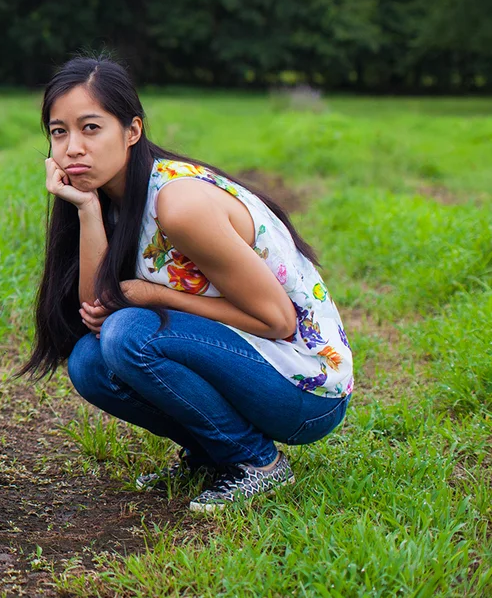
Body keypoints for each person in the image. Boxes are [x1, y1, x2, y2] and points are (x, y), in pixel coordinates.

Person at [20, 55, 352, 513]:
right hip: (249, 362)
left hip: (306, 389)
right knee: (89, 361)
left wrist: (156, 294)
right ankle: (211, 454)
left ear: (132, 131)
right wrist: (87, 210)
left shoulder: (178, 203)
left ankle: (256, 464)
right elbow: (96, 309)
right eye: (59, 132)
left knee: (128, 335)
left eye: (91, 128)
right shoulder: (109, 198)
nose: (72, 147)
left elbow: (277, 321)